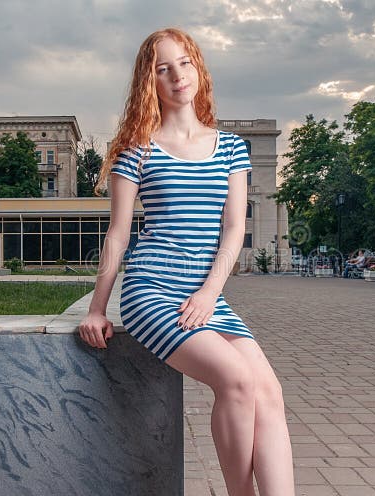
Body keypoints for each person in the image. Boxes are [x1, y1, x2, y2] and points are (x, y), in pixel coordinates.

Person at [78, 28, 294, 495]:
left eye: (185, 63)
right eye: (163, 68)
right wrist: (96, 308)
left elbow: (233, 229)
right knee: (236, 380)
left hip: (204, 295)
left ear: (198, 69)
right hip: (152, 291)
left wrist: (210, 292)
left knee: (269, 392)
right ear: (149, 82)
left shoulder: (231, 148)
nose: (177, 75)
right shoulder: (135, 149)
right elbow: (118, 235)